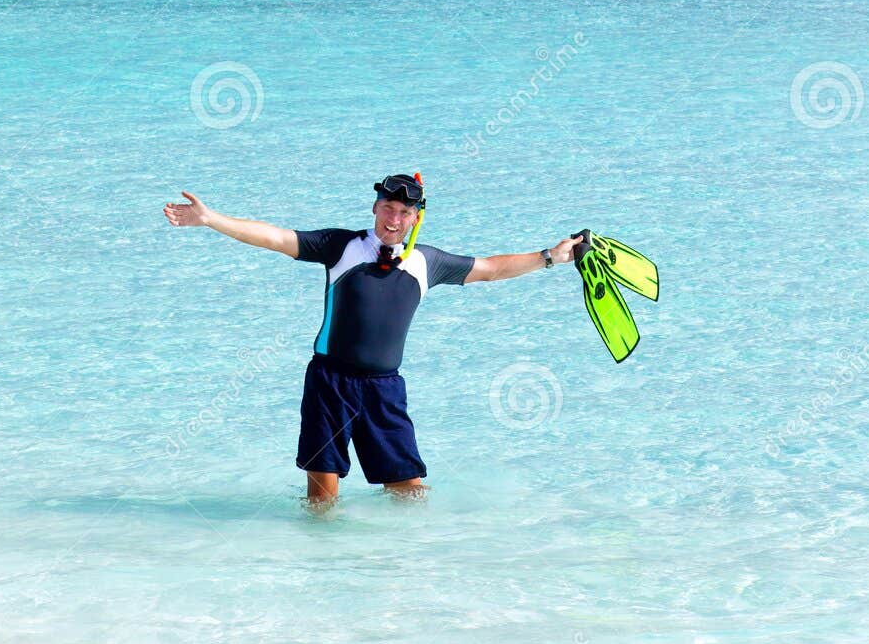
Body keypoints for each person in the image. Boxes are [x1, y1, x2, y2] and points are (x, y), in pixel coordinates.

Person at [163, 173, 581, 506]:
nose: (393, 219)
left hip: (385, 390)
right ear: (375, 207)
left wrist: (550, 257)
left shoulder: (426, 262)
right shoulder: (341, 246)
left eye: (403, 211)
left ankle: (405, 571)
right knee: (322, 501)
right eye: (387, 208)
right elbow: (274, 237)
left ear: (416, 217)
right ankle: (323, 568)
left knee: (410, 494)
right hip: (330, 384)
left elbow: (490, 268)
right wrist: (210, 219)